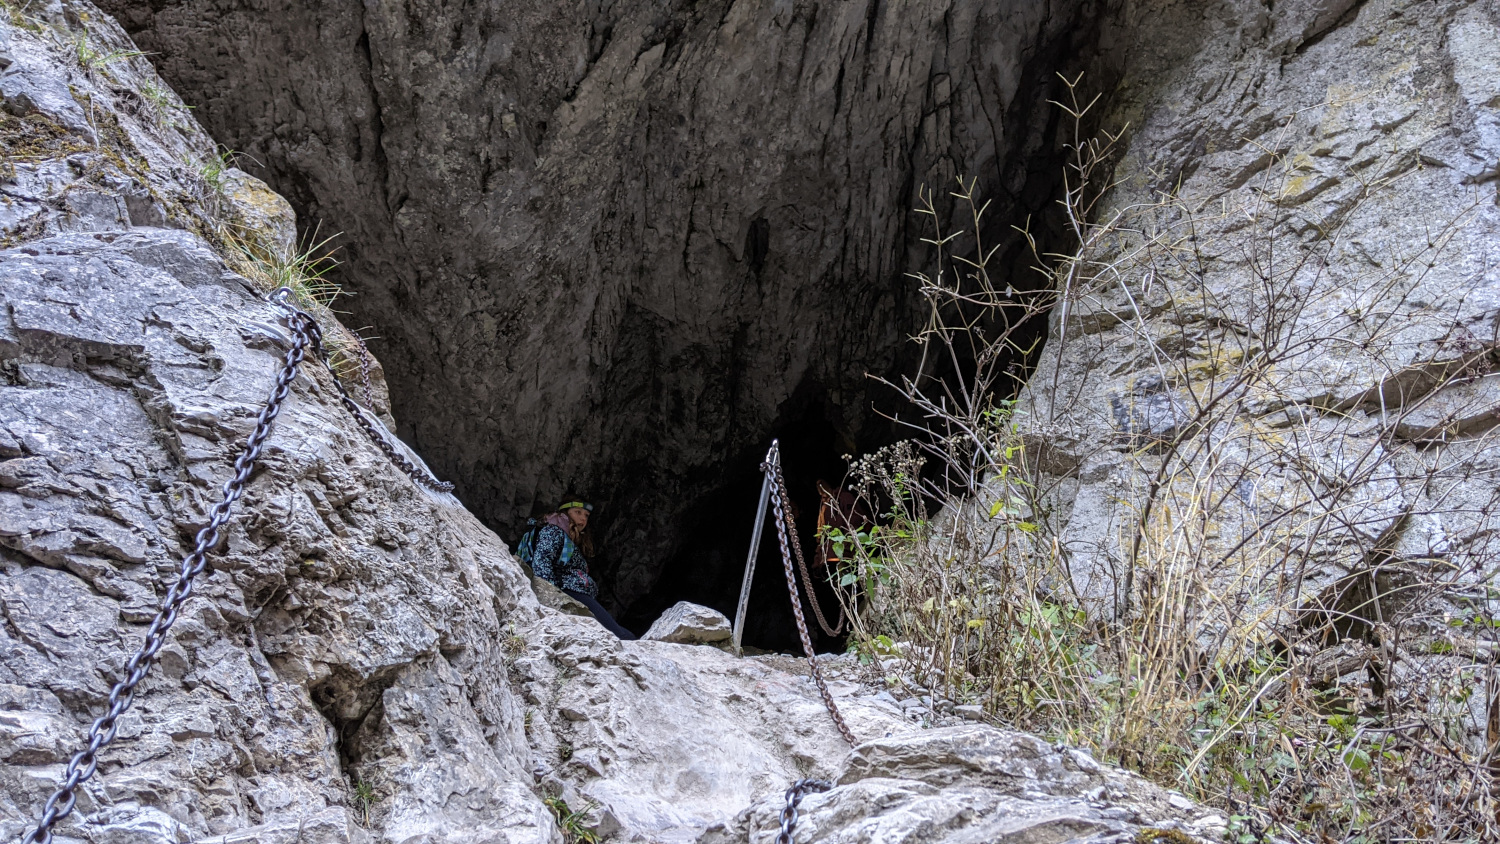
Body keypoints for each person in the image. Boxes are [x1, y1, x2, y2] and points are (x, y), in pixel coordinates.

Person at [528, 499, 636, 640]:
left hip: (572, 591)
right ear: (565, 513)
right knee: (621, 636)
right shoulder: (553, 531)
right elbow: (542, 560)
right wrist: (550, 595)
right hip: (568, 590)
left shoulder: (566, 538)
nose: (583, 518)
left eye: (586, 515)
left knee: (626, 635)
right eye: (577, 512)